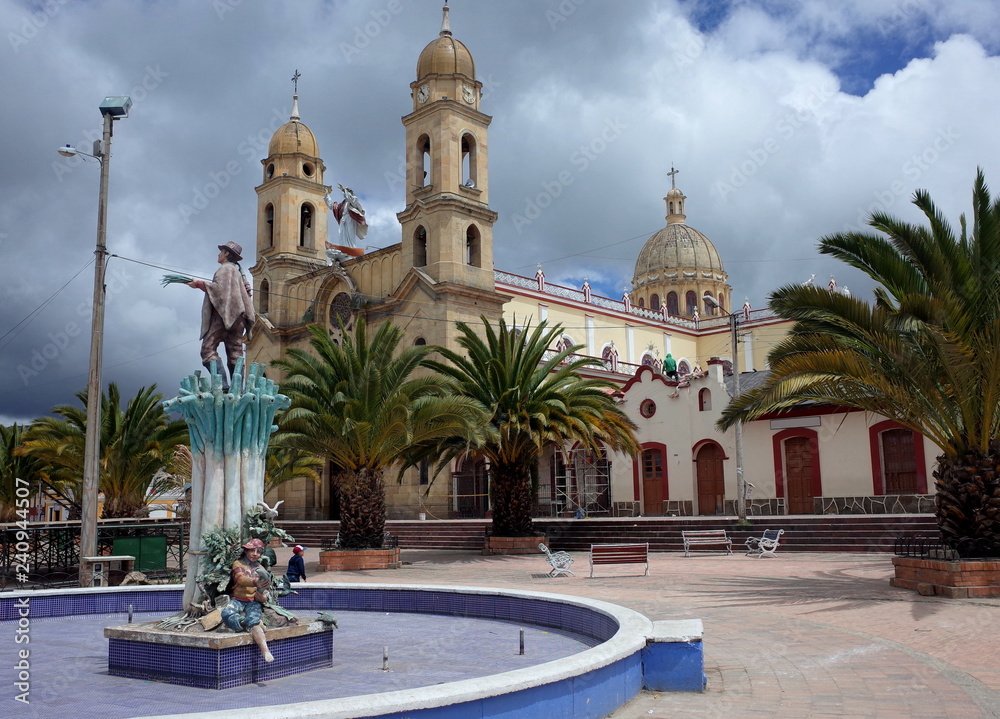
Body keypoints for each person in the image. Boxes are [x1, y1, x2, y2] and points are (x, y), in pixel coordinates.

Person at [188, 241, 254, 391]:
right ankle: (238, 388)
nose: (218, 254)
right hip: (239, 318)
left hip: (222, 316)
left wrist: (197, 283)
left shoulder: (224, 270)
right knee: (235, 352)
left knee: (207, 349)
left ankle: (223, 384)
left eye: (221, 251)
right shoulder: (237, 273)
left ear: (227, 254)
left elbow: (219, 290)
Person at [220, 538, 274, 662]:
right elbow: (241, 580)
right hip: (238, 599)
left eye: (258, 552)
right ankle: (244, 622)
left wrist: (263, 596)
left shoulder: (260, 568)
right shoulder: (238, 564)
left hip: (252, 601)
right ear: (246, 551)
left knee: (253, 620)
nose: (255, 554)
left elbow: (264, 589)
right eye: (252, 551)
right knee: (227, 613)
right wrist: (256, 582)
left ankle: (265, 651)